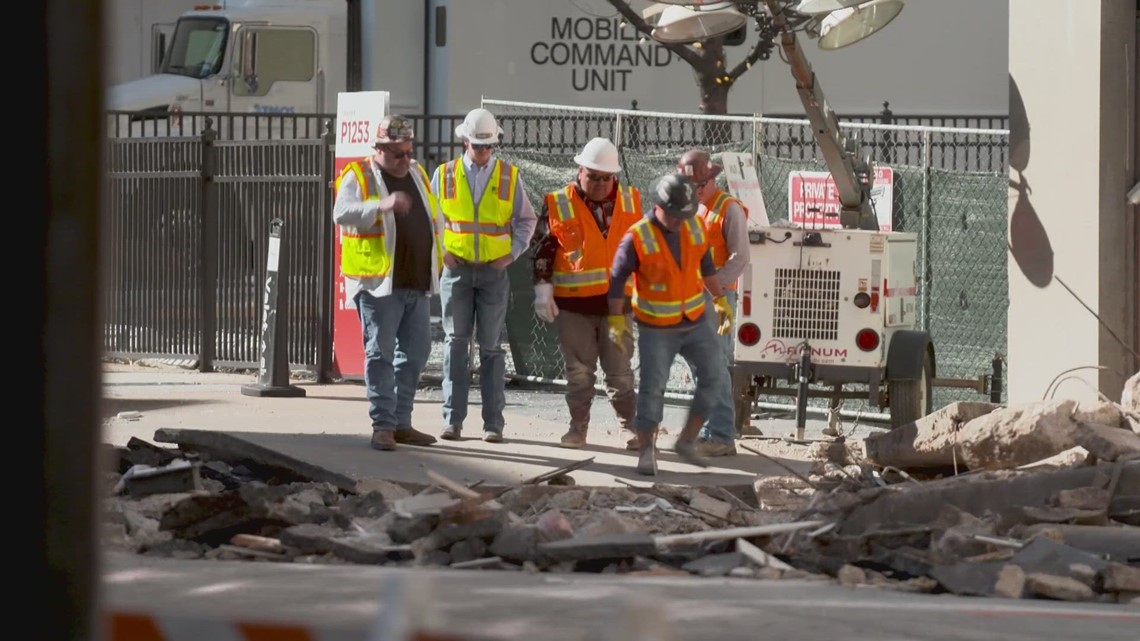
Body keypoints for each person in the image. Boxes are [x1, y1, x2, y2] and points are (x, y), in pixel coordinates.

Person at [608, 173, 736, 476]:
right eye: (675, 215)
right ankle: (647, 452)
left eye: (684, 214)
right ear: (659, 206)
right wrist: (616, 318)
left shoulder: (694, 227)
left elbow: (707, 268)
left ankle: (686, 441)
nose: (680, 221)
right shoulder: (637, 237)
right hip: (657, 327)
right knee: (653, 388)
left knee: (714, 375)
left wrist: (720, 301)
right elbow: (617, 280)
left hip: (694, 321)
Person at [332, 114, 443, 451]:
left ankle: (401, 422)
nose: (405, 159)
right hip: (378, 283)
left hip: (417, 281)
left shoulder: (417, 173)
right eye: (397, 153)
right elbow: (341, 212)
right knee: (380, 354)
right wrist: (382, 205)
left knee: (416, 353)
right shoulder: (359, 175)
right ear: (378, 148)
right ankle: (383, 425)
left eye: (409, 151)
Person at [431, 108, 537, 443]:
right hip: (457, 270)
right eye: (478, 146)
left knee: (491, 347)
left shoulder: (508, 176)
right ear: (465, 142)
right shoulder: (444, 174)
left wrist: (512, 254)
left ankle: (493, 424)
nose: (483, 152)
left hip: (493, 272)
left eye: (488, 146)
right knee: (455, 344)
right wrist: (442, 253)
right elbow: (432, 219)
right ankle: (452, 421)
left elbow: (527, 220)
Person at [531, 138, 642, 450]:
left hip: (618, 306)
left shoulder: (631, 201)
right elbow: (542, 247)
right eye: (593, 176)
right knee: (579, 372)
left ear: (614, 176)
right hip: (574, 306)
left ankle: (628, 428)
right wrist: (543, 287)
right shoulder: (558, 202)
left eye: (605, 178)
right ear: (580, 171)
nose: (599, 184)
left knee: (620, 372)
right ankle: (577, 428)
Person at [678, 149, 752, 446]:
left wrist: (712, 288)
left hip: (716, 298)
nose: (695, 191)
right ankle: (712, 430)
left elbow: (740, 258)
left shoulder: (728, 209)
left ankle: (720, 435)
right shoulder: (692, 209)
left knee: (712, 363)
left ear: (711, 180)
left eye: (699, 185)